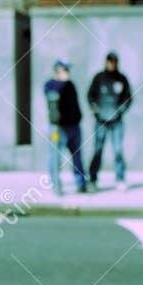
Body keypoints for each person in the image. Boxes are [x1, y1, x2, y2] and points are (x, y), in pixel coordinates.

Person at [86, 51, 133, 190]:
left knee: (118, 150)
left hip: (116, 122)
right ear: (106, 62)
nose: (112, 64)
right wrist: (96, 111)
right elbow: (90, 96)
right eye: (109, 61)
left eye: (114, 62)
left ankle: (120, 179)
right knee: (98, 150)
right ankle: (93, 179)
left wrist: (121, 110)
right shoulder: (99, 78)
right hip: (101, 121)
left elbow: (128, 98)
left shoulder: (122, 79)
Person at [42, 59, 88, 195]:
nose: (68, 73)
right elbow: (53, 97)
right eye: (65, 70)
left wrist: (79, 117)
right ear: (58, 71)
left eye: (68, 70)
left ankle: (81, 184)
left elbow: (76, 103)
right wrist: (61, 82)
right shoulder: (51, 85)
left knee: (77, 156)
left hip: (74, 126)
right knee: (55, 156)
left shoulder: (71, 85)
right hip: (58, 128)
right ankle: (56, 185)